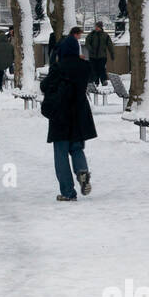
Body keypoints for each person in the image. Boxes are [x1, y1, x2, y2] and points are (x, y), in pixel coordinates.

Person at [39, 33, 96, 201]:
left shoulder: (58, 67)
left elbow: (44, 86)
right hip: (79, 113)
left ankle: (68, 192)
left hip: (61, 113)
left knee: (61, 152)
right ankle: (82, 170)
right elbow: (92, 75)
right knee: (77, 147)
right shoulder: (84, 66)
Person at [85, 21, 115, 85]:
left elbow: (110, 45)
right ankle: (96, 81)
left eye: (97, 27)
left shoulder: (105, 35)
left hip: (102, 56)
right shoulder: (91, 34)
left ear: (100, 27)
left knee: (101, 68)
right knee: (93, 69)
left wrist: (112, 54)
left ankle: (103, 80)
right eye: (96, 26)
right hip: (92, 56)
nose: (96, 28)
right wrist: (90, 49)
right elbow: (87, 43)